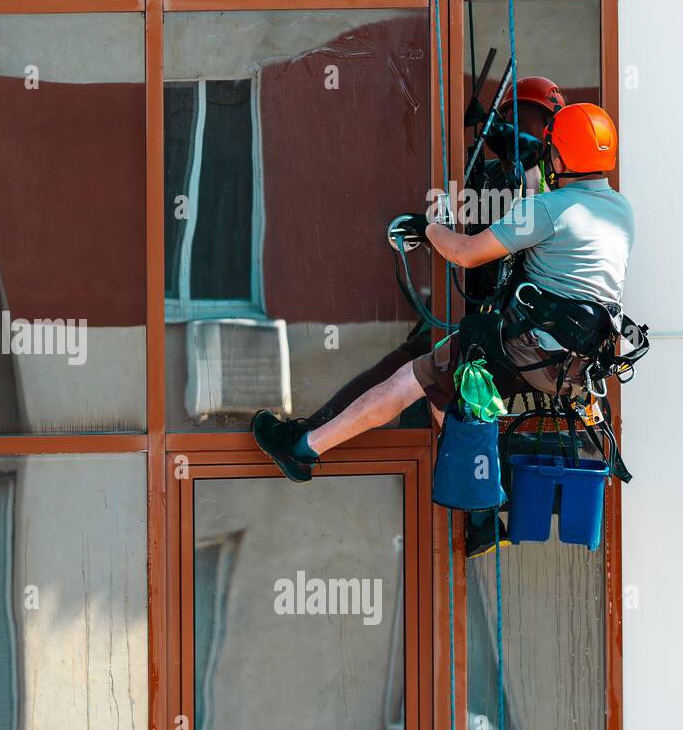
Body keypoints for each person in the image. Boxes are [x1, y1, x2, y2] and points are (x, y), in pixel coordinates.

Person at [253, 103, 631, 485]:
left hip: (527, 350)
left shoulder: (549, 209)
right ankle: (478, 505)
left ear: (559, 156)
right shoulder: (621, 210)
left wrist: (431, 229)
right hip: (578, 366)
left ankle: (303, 447)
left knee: (408, 379)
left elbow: (465, 254)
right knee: (446, 395)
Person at [302, 76, 568, 430]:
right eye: (516, 117)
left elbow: (532, 198)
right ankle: (320, 425)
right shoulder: (490, 173)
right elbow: (465, 224)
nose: (526, 126)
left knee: (428, 381)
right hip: (467, 302)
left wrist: (520, 155)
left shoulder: (553, 182)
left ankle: (319, 432)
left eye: (535, 119)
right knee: (407, 374)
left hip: (510, 323)